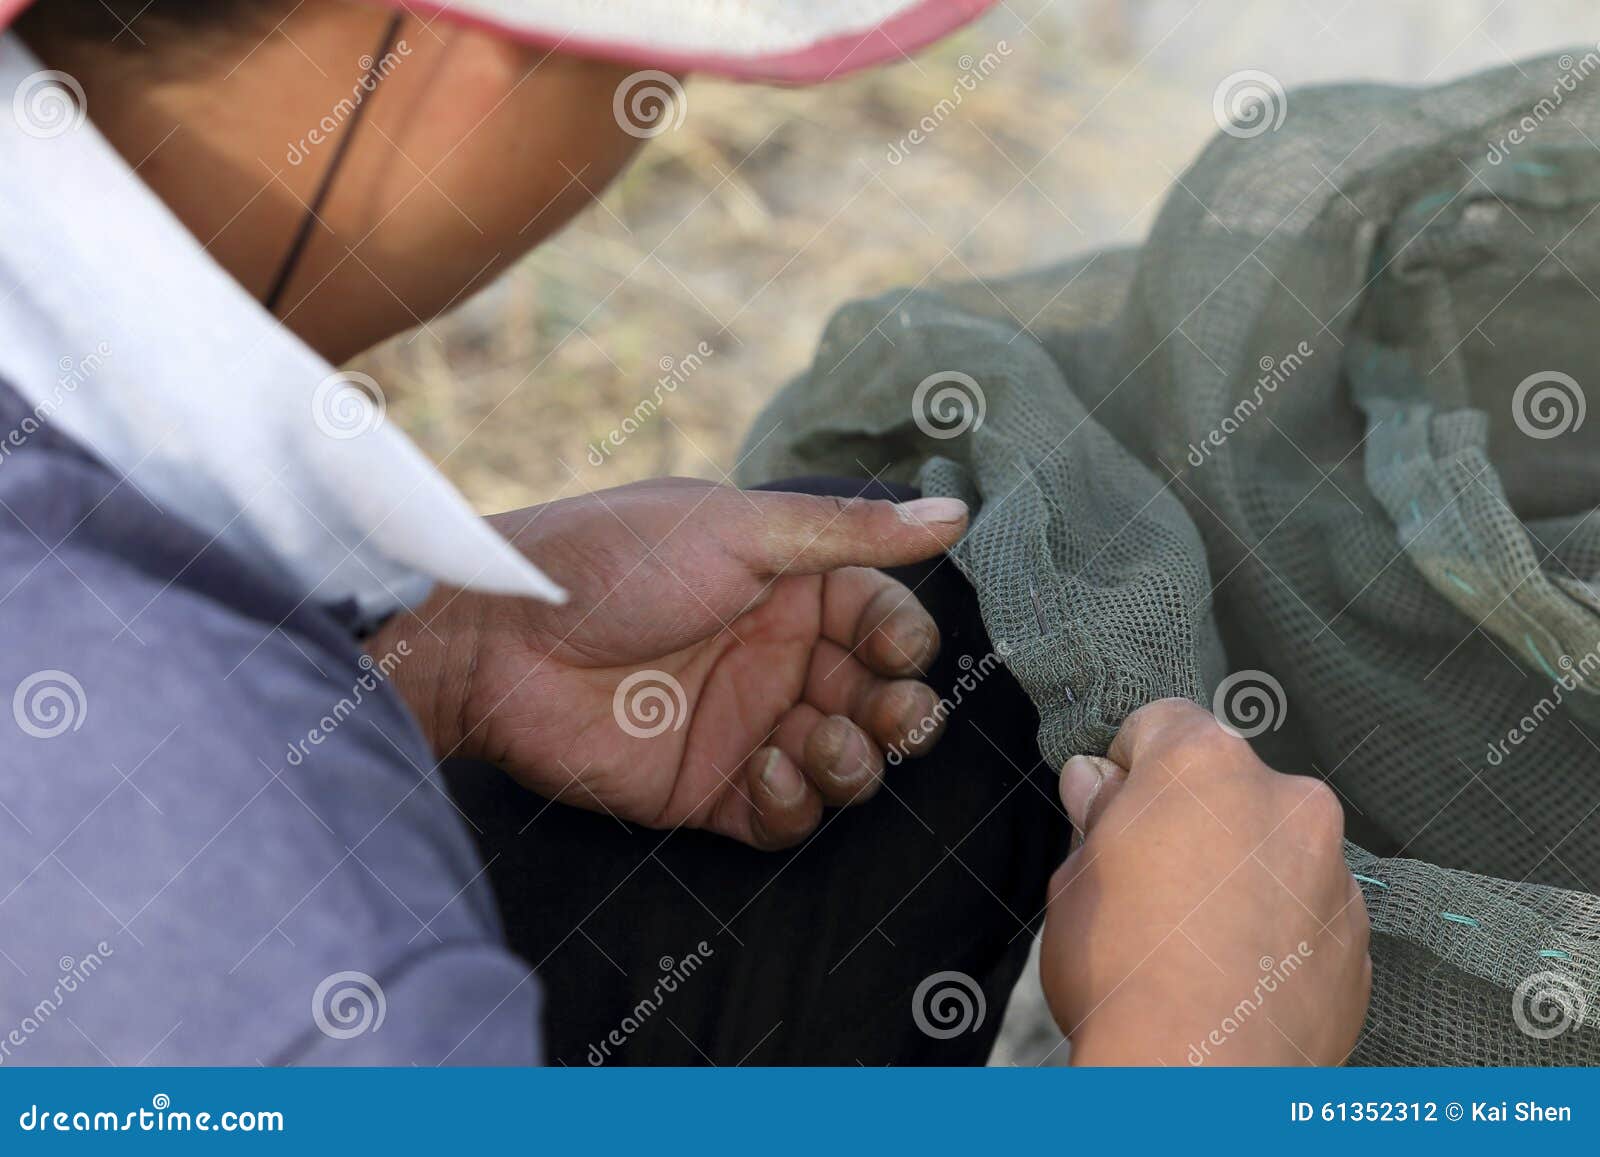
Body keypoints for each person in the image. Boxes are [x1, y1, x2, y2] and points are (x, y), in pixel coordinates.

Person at [0, 0, 1369, 1065]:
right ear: (486, 51)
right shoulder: (249, 907)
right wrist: (1203, 1043)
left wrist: (445, 653)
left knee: (943, 695)